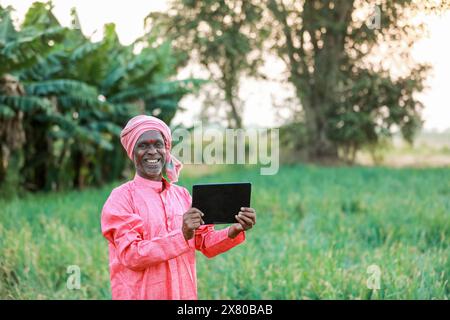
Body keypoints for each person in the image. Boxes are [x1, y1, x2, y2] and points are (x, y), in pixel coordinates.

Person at [101, 115, 257, 299]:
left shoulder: (182, 195)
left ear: (166, 149)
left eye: (158, 144)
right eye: (143, 145)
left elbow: (203, 241)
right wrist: (182, 235)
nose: (152, 151)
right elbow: (131, 254)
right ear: (132, 151)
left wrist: (233, 230)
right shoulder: (121, 198)